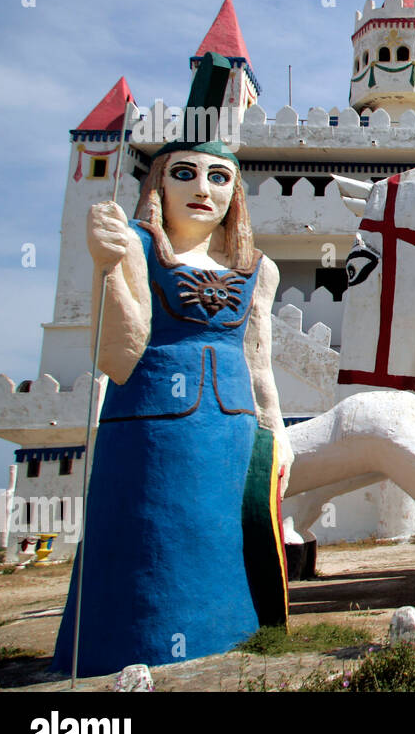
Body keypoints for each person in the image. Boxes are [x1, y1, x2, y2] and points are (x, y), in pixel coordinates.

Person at [50, 139, 291, 677]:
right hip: (147, 425)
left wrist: (276, 429)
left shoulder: (259, 269)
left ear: (236, 192)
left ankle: (236, 636)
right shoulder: (136, 245)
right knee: (146, 542)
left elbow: (258, 357)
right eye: (186, 174)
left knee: (224, 542)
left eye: (219, 177)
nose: (203, 189)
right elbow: (119, 352)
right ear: (160, 182)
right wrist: (108, 266)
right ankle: (125, 654)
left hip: (232, 429)